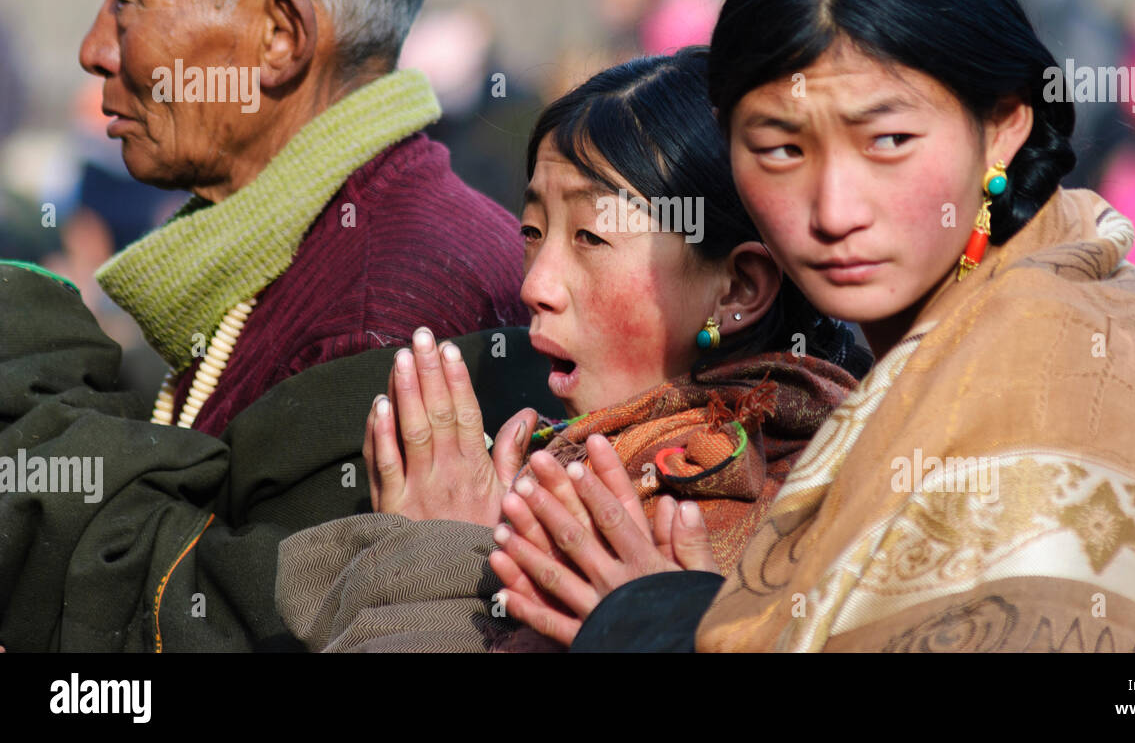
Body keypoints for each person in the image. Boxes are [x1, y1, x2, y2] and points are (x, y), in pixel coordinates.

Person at [491, 0, 1135, 652]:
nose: (834, 208)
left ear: (1002, 128)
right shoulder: (928, 353)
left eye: (887, 142)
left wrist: (659, 621)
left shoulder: (1044, 369)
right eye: (779, 148)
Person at [274, 47, 869, 651]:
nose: (535, 286)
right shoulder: (569, 459)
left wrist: (443, 557)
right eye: (532, 232)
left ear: (737, 287)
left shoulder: (752, 515)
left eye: (590, 236)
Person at [78, 0, 527, 436]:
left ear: (280, 38)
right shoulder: (331, 250)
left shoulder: (381, 316)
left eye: (126, 3)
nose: (95, 50)